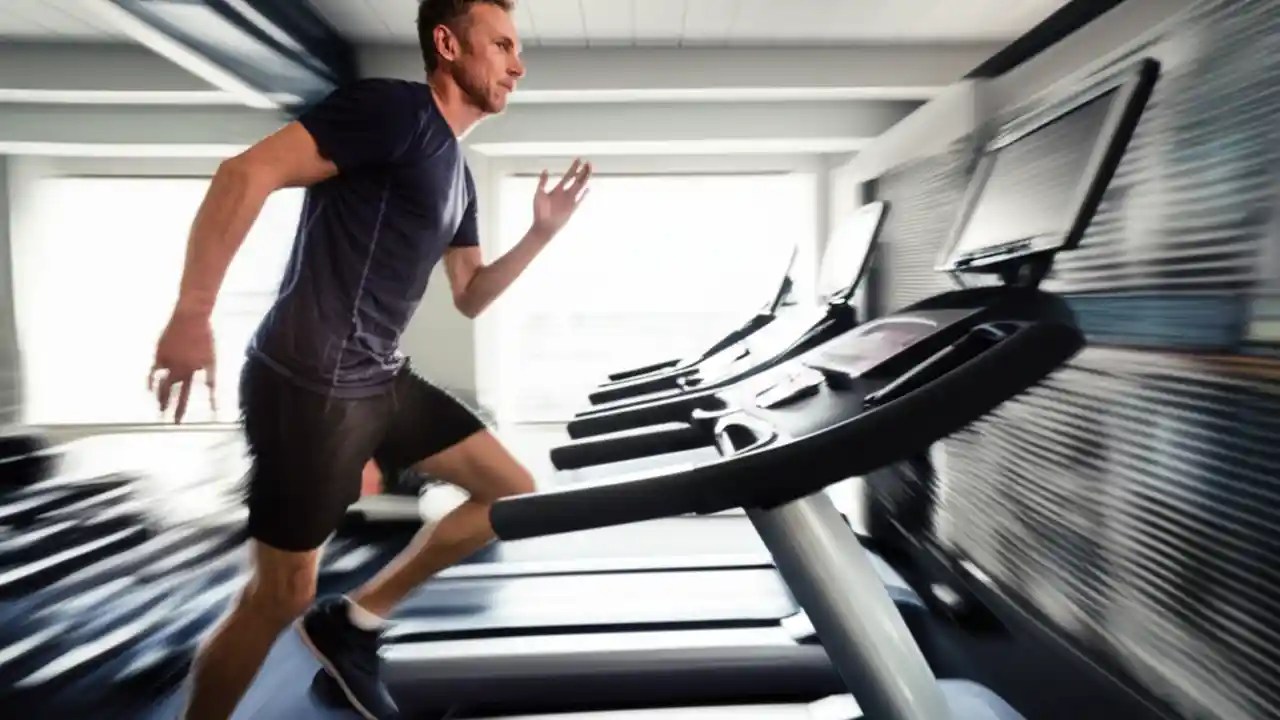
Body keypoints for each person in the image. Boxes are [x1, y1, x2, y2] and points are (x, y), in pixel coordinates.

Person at [147, 1, 590, 718]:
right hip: (310, 383)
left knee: (509, 492)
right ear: (447, 44)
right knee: (277, 596)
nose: (518, 63)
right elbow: (243, 173)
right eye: (502, 44)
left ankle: (352, 622)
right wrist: (193, 312)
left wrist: (540, 234)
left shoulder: (458, 171)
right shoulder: (392, 111)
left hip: (377, 375)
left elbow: (471, 294)